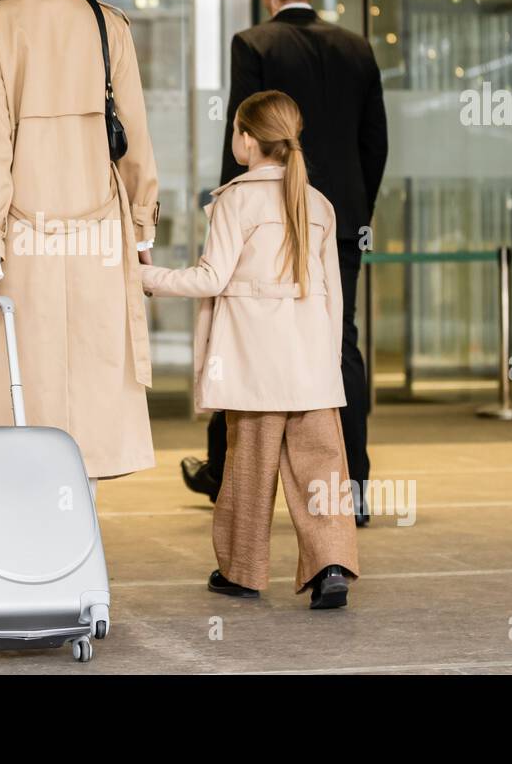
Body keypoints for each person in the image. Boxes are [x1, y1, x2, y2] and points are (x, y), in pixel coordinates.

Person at [0, 0, 160, 493]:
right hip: (100, 236)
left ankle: (25, 553)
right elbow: (136, 140)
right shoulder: (105, 24)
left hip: (21, 243)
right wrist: (142, 226)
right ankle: (73, 546)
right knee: (88, 401)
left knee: (21, 392)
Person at [183, 0, 388, 526]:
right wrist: (350, 216)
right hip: (336, 220)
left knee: (239, 333)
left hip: (261, 217)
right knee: (337, 342)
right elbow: (376, 143)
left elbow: (244, 138)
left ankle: (228, 476)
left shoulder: (254, 43)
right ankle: (353, 484)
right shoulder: (357, 47)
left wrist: (227, 213)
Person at [143, 90, 358, 607]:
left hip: (253, 362)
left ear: (246, 137)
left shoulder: (236, 200)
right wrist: (328, 368)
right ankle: (331, 567)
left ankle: (242, 572)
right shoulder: (319, 203)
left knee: (248, 471)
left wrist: (143, 277)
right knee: (323, 471)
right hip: (311, 367)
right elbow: (333, 297)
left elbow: (209, 278)